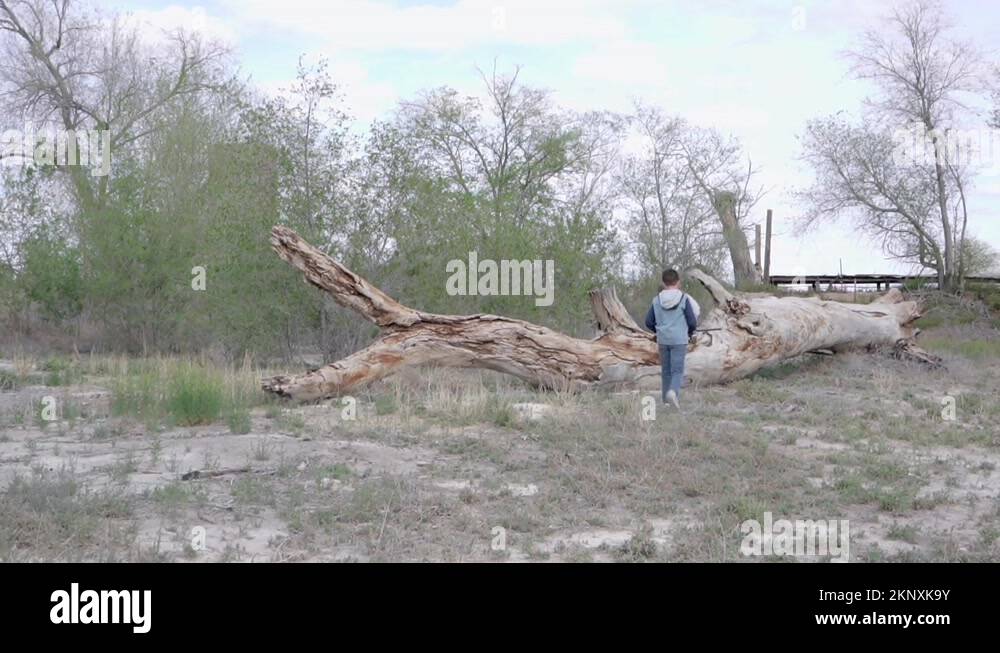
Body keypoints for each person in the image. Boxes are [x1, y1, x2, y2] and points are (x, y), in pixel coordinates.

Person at [644, 269, 698, 409]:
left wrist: (660, 330)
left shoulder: (656, 300)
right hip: (679, 340)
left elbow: (648, 321)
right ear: (678, 282)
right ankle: (673, 392)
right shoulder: (684, 298)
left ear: (663, 282)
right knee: (677, 371)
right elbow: (692, 322)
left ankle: (666, 402)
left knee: (666, 371)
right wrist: (689, 332)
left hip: (663, 340)